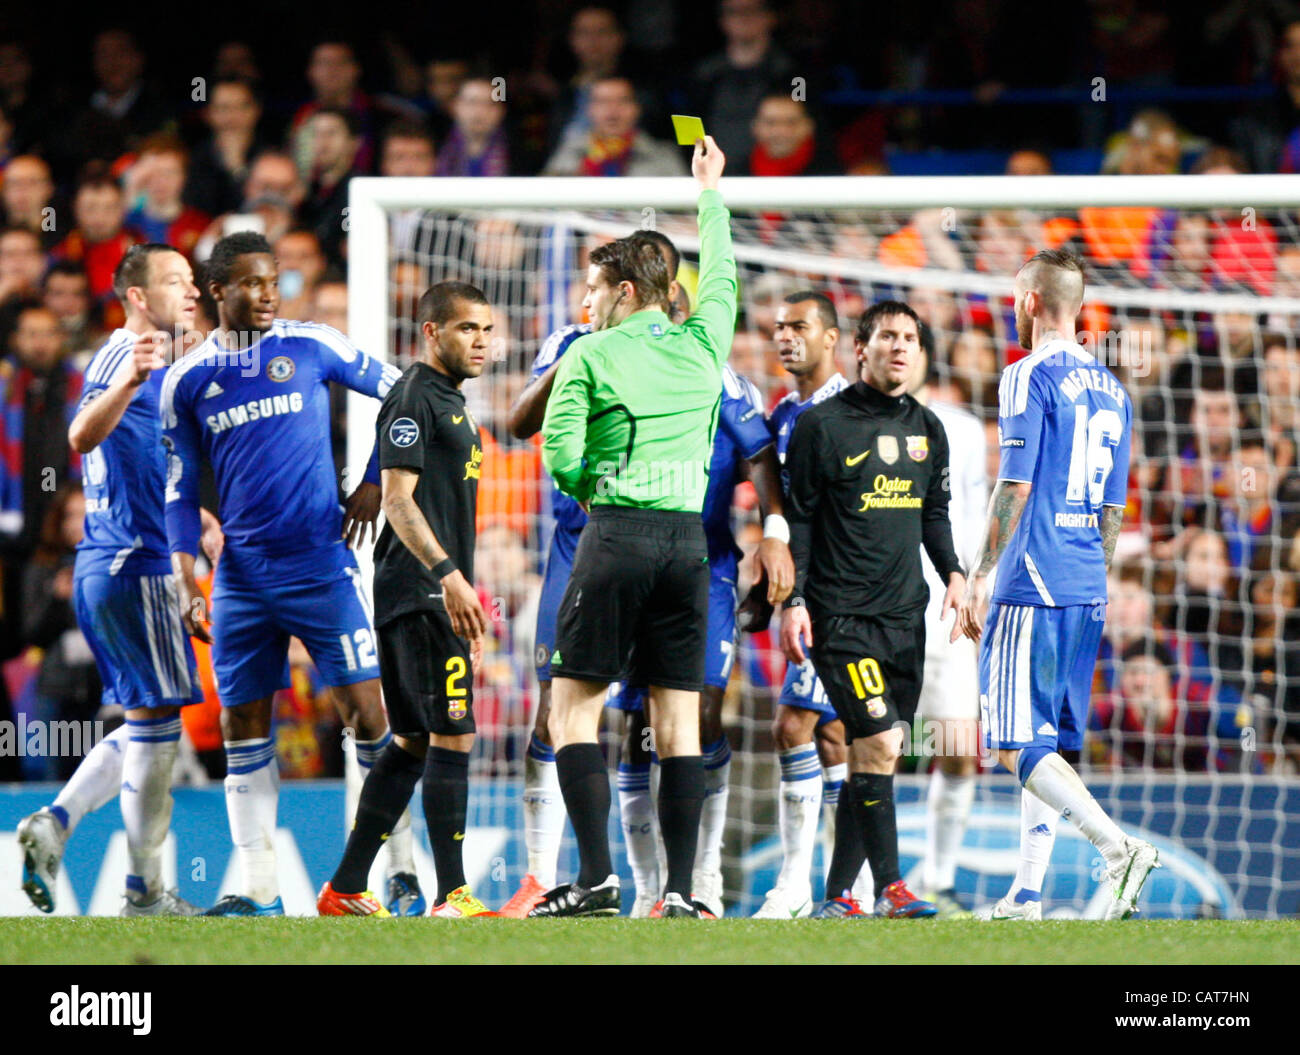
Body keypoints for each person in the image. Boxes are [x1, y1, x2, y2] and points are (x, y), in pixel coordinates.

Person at [160, 231, 414, 916]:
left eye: (274, 281)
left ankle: (401, 871)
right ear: (217, 290)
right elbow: (179, 492)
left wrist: (375, 479)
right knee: (243, 721)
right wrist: (185, 581)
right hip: (241, 578)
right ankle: (260, 887)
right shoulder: (186, 380)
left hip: (321, 566)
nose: (269, 294)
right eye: (252, 283)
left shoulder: (312, 344)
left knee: (368, 714)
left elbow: (406, 393)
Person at [528, 136, 735, 918]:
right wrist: (709, 191)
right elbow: (723, 274)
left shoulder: (589, 354)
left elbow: (560, 453)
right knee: (677, 724)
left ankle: (597, 877)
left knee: (570, 710)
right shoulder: (705, 343)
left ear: (622, 290)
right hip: (687, 545)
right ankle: (679, 891)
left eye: (593, 289)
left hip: (615, 534)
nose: (586, 303)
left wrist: (595, 488)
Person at [954, 248, 1159, 921]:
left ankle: (1117, 849)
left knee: (1011, 740)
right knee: (1044, 738)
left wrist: (980, 573)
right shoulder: (1113, 389)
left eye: (1016, 299)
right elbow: (1113, 509)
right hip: (1085, 582)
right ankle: (1027, 892)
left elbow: (1015, 483)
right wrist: (1093, 573)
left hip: (1032, 577)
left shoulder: (1026, 374)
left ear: (1032, 301)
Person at [17, 244, 218, 915]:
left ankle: (57, 821)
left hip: (120, 562)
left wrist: (195, 518)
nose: (191, 292)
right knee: (157, 732)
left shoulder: (154, 361)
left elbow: (144, 461)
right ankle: (143, 891)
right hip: (133, 565)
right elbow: (81, 434)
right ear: (137, 296)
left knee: (147, 721)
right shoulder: (126, 355)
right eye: (175, 281)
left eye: (191, 281)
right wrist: (130, 380)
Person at [318, 281, 496, 919]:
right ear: (431, 331)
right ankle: (453, 895)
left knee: (415, 739)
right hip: (420, 590)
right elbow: (397, 500)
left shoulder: (450, 400)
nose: (481, 341)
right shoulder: (414, 395)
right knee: (454, 734)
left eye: (487, 330)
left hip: (430, 591)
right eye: (467, 328)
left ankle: (345, 887)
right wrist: (449, 577)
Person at [782, 300, 964, 919]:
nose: (900, 346)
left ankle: (837, 897)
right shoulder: (821, 426)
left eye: (910, 338)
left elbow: (933, 514)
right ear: (860, 348)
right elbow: (799, 521)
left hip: (905, 618)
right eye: (888, 336)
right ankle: (890, 887)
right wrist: (795, 601)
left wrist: (954, 573)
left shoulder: (928, 429)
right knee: (881, 740)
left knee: (872, 753)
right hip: (842, 618)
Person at [750, 291, 851, 920]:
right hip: (805, 592)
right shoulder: (785, 412)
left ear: (831, 337)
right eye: (780, 327)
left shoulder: (850, 412)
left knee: (792, 726)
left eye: (800, 326)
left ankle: (793, 885)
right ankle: (850, 887)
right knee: (833, 736)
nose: (786, 336)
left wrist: (808, 596)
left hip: (836, 596)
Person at [909, 329, 988, 917]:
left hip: (948, 610)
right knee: (872, 747)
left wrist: (979, 583)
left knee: (958, 744)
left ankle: (939, 878)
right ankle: (862, 883)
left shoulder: (962, 429)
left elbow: (978, 514)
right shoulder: (855, 424)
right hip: (880, 608)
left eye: (910, 344)